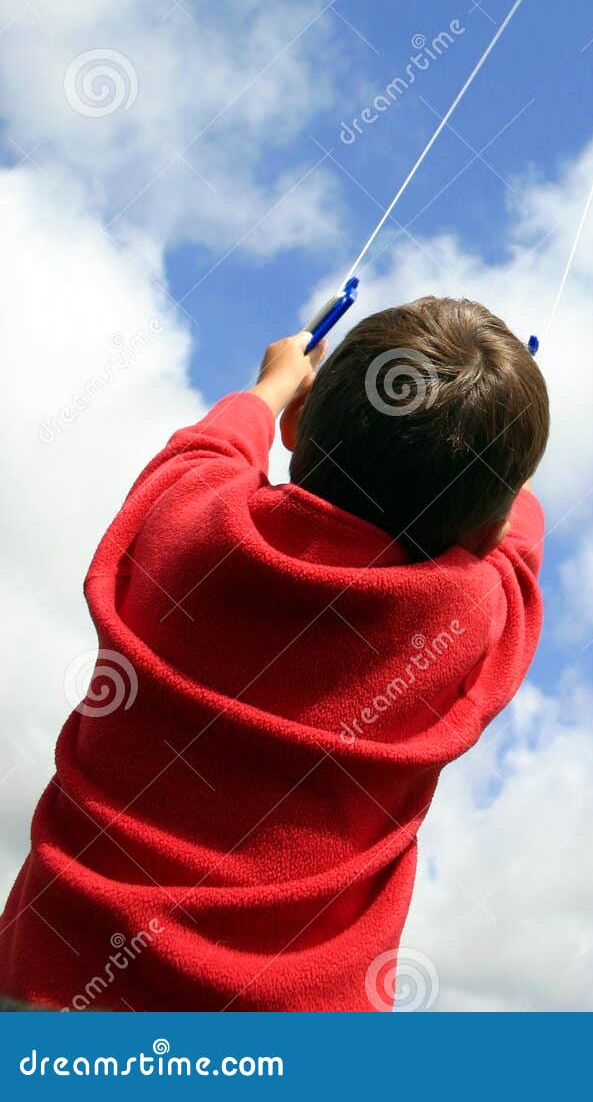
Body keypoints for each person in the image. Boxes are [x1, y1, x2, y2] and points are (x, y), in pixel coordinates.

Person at [0, 297, 549, 1012]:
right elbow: (516, 542)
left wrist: (276, 384)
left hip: (46, 989)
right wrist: (498, 461)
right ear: (485, 531)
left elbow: (211, 447)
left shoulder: (185, 522)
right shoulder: (471, 622)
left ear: (296, 427)